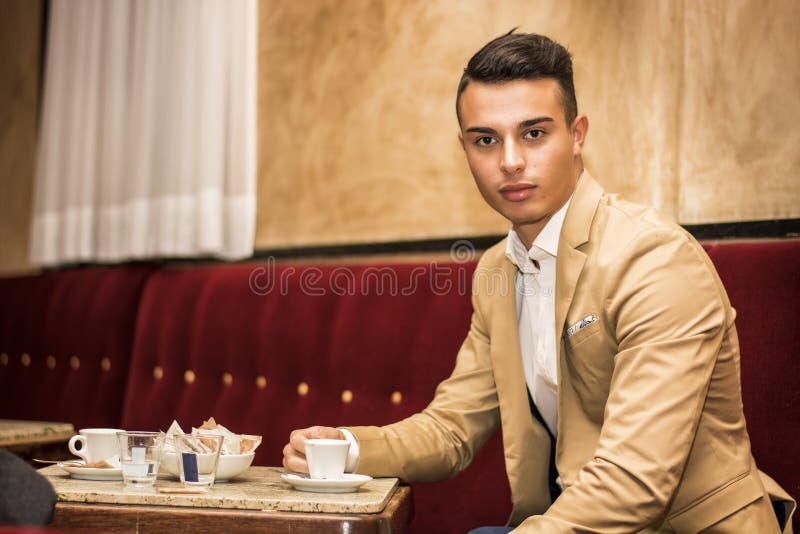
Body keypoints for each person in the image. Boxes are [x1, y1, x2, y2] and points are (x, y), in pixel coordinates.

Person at [283, 31, 796, 533]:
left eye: (533, 133)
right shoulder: (496, 271)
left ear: (576, 136)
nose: (509, 161)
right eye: (486, 139)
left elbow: (636, 480)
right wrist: (344, 447)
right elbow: (452, 430)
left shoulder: (654, 257)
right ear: (464, 148)